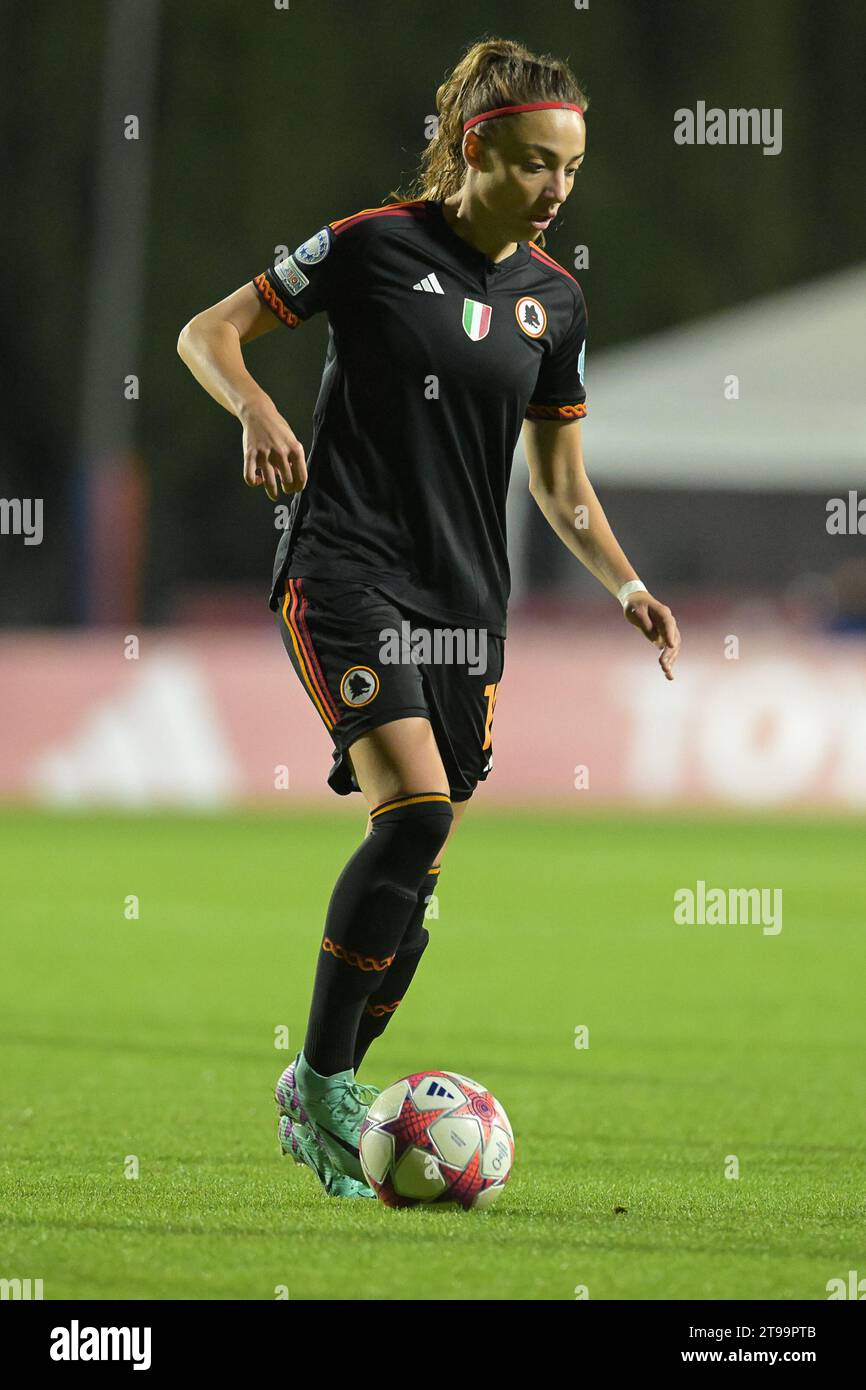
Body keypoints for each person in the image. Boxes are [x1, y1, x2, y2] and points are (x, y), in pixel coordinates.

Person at [177, 36, 681, 1199]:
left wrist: (624, 584)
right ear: (474, 149)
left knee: (418, 870)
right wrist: (253, 408)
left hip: (464, 607)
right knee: (413, 811)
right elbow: (209, 331)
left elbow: (557, 481)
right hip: (346, 570)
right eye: (537, 162)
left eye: (571, 167)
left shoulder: (554, 302)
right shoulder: (370, 246)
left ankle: (323, 1082)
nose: (556, 188)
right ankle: (321, 1080)